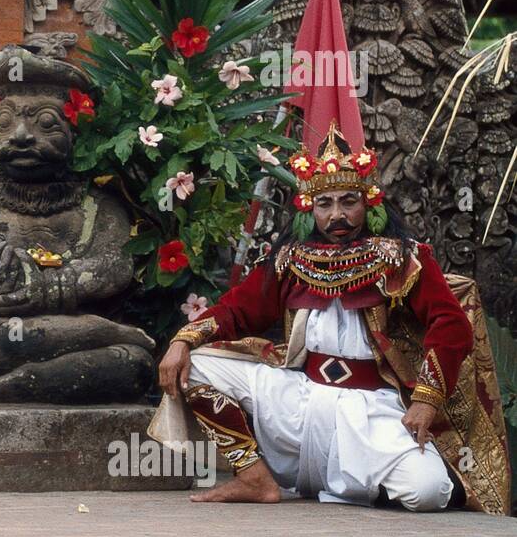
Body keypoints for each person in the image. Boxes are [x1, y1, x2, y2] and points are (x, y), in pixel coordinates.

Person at [151, 117, 510, 514]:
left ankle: (357, 480)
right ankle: (254, 476)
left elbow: (451, 325)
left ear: (367, 202)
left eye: (348, 202)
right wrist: (183, 339)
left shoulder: (401, 258)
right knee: (197, 365)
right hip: (298, 400)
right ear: (310, 209)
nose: (337, 214)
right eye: (325, 203)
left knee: (427, 492)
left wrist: (426, 399)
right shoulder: (291, 260)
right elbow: (237, 309)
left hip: (371, 408)